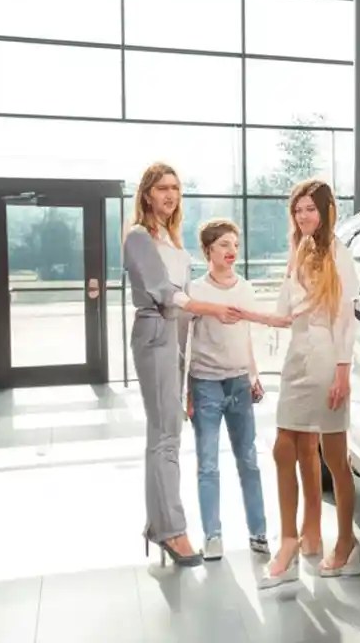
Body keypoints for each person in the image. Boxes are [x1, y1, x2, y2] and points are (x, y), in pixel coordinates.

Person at [243, 179, 360, 588]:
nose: (303, 216)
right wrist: (240, 314)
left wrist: (343, 372)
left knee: (335, 457)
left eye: (310, 209)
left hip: (329, 359)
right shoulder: (301, 251)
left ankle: (347, 542)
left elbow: (347, 317)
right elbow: (283, 313)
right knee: (283, 446)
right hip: (297, 359)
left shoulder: (339, 255)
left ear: (328, 211)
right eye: (298, 210)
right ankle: (290, 540)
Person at [123, 162, 240, 567]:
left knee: (166, 434)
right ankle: (171, 529)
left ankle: (158, 525)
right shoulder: (139, 237)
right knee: (165, 437)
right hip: (154, 331)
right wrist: (213, 306)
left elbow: (186, 312)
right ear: (147, 194)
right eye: (161, 188)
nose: (170, 195)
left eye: (175, 188)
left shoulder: (174, 244)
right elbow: (164, 293)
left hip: (172, 337)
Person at [180, 218, 269, 561]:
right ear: (207, 251)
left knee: (249, 461)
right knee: (207, 465)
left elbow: (245, 336)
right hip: (205, 385)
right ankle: (212, 536)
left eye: (235, 244)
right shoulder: (196, 292)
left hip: (238, 383)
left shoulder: (245, 289)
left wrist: (254, 375)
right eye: (223, 245)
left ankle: (258, 533)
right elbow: (185, 341)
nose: (232, 251)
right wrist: (187, 390)